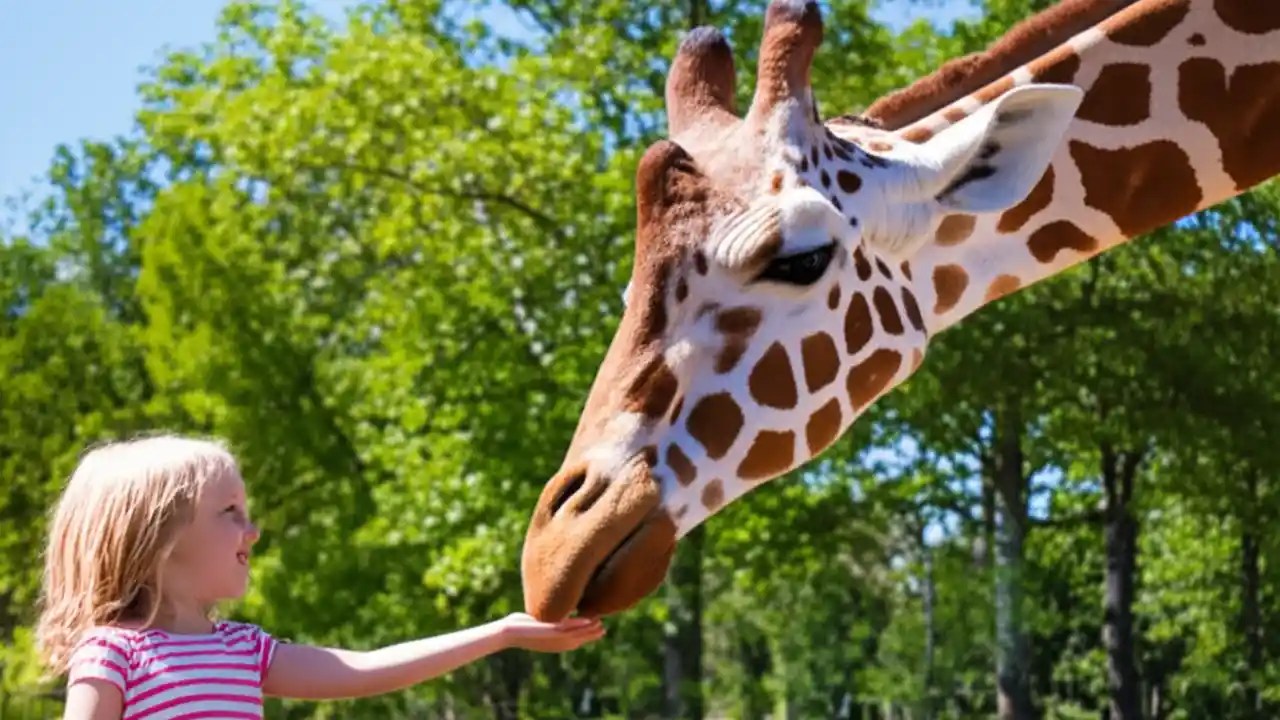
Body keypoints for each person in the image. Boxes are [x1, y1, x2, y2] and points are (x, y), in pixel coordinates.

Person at [35, 434, 604, 720]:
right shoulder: (113, 654)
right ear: (160, 538)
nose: (252, 531)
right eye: (229, 512)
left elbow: (363, 669)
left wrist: (499, 632)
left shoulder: (242, 650)